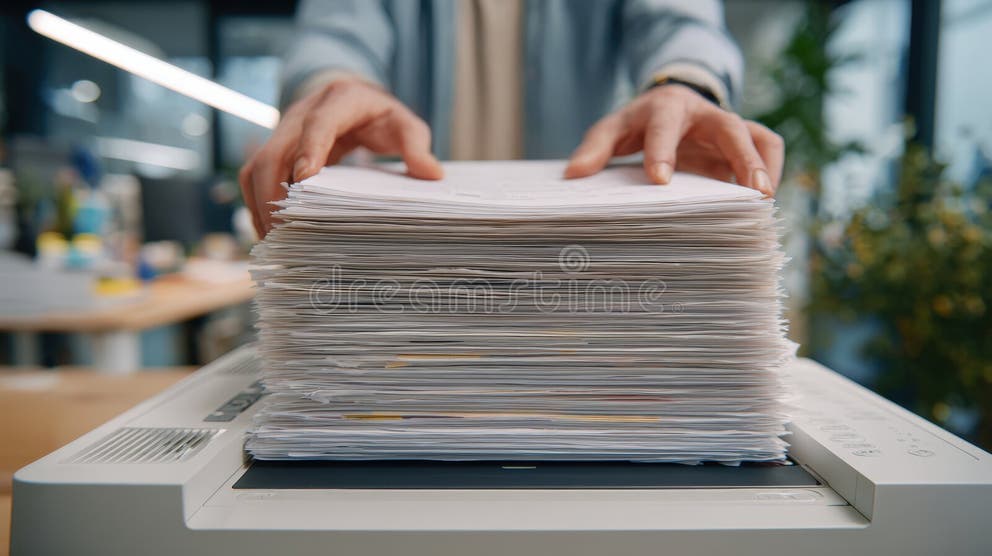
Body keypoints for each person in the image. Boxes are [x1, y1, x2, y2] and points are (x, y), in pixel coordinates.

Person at [239, 0, 784, 236]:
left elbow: (682, 24)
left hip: (580, 271)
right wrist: (332, 86)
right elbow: (335, 32)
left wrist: (683, 84)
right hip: (415, 272)